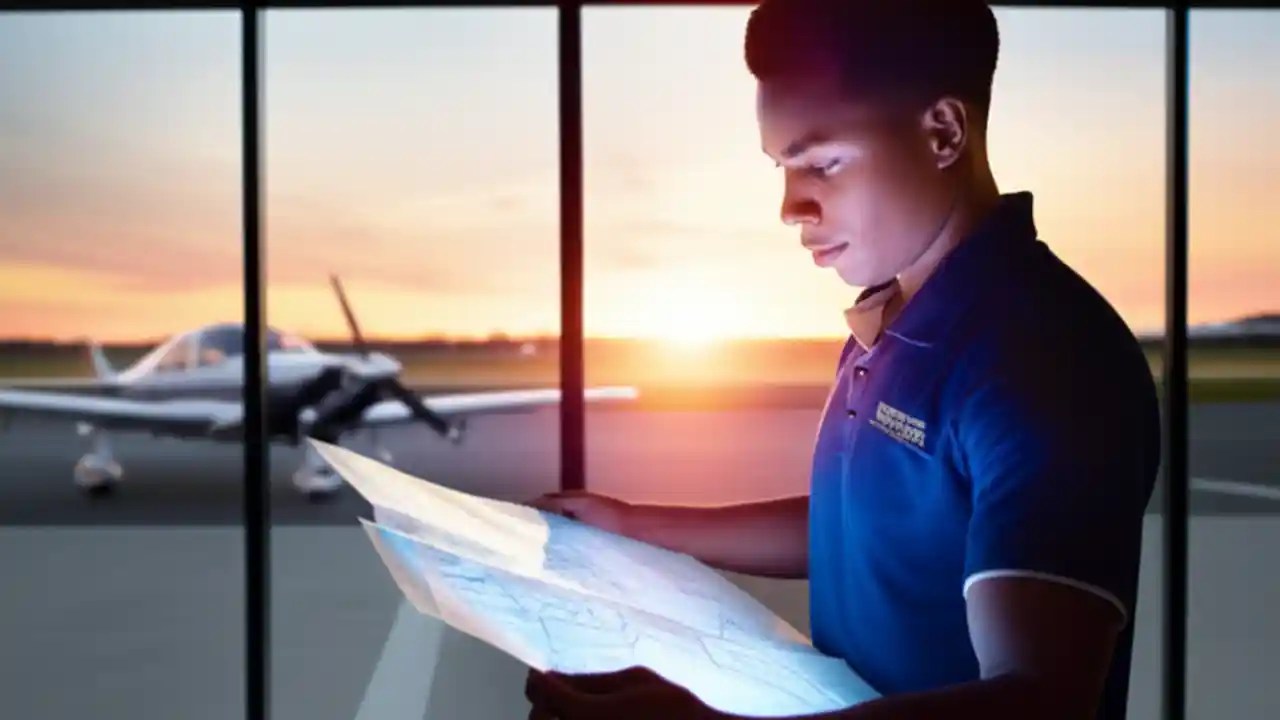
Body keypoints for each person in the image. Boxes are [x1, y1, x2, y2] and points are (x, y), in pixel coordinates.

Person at [525, 1, 1161, 718]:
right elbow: (858, 526)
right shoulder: (892, 316)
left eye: (821, 162)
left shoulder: (1046, 359)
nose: (791, 207)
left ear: (944, 131)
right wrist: (638, 527)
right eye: (781, 168)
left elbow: (1039, 702)